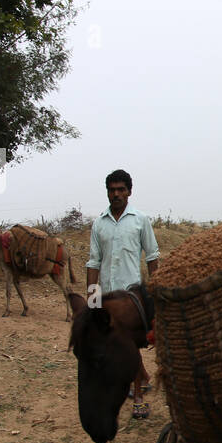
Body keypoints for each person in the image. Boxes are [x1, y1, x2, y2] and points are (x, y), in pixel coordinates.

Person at [85, 169, 160, 418]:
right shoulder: (99, 223)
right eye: (112, 190)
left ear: (129, 191)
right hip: (107, 296)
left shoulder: (140, 220)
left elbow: (152, 256)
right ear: (107, 192)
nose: (116, 194)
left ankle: (138, 397)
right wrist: (92, 300)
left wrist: (155, 291)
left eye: (121, 189)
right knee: (112, 344)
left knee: (130, 345)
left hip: (133, 297)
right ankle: (138, 380)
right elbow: (94, 262)